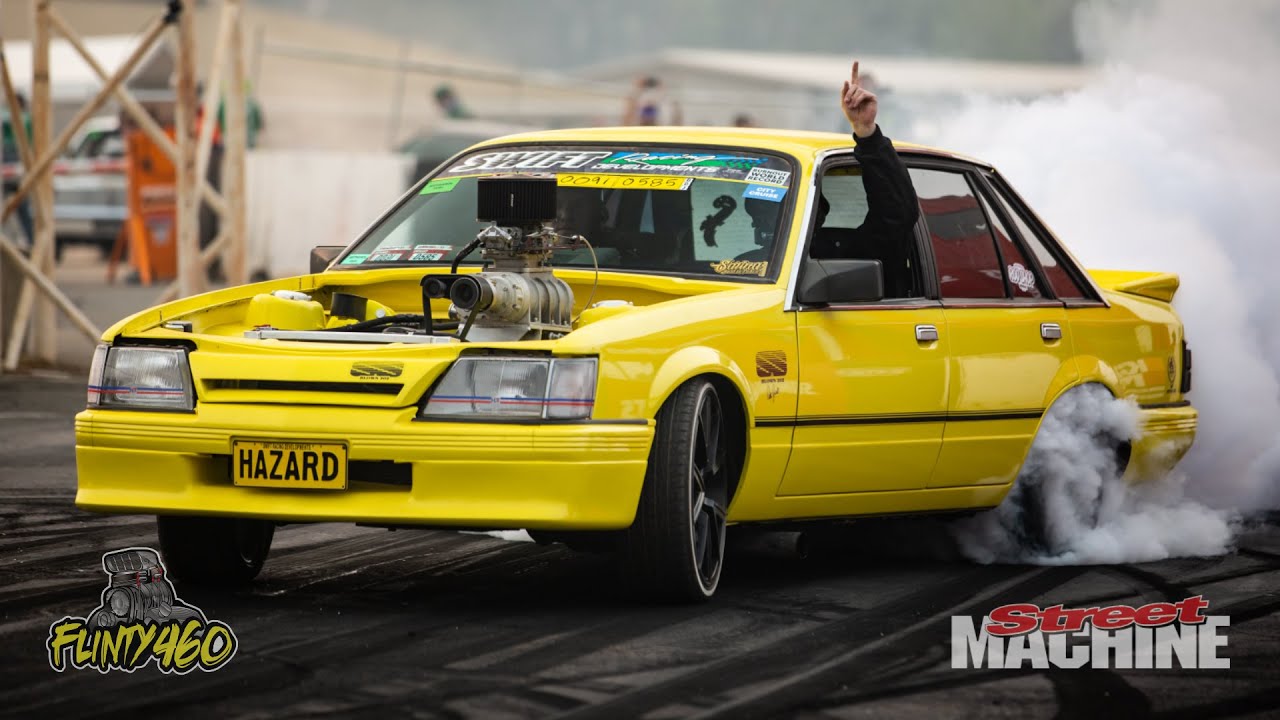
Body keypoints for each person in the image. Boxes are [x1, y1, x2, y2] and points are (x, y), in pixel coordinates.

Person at [811, 60, 919, 269]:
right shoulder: (747, 262)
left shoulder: (848, 255)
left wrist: (867, 133)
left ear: (818, 216)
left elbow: (896, 215)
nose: (757, 221)